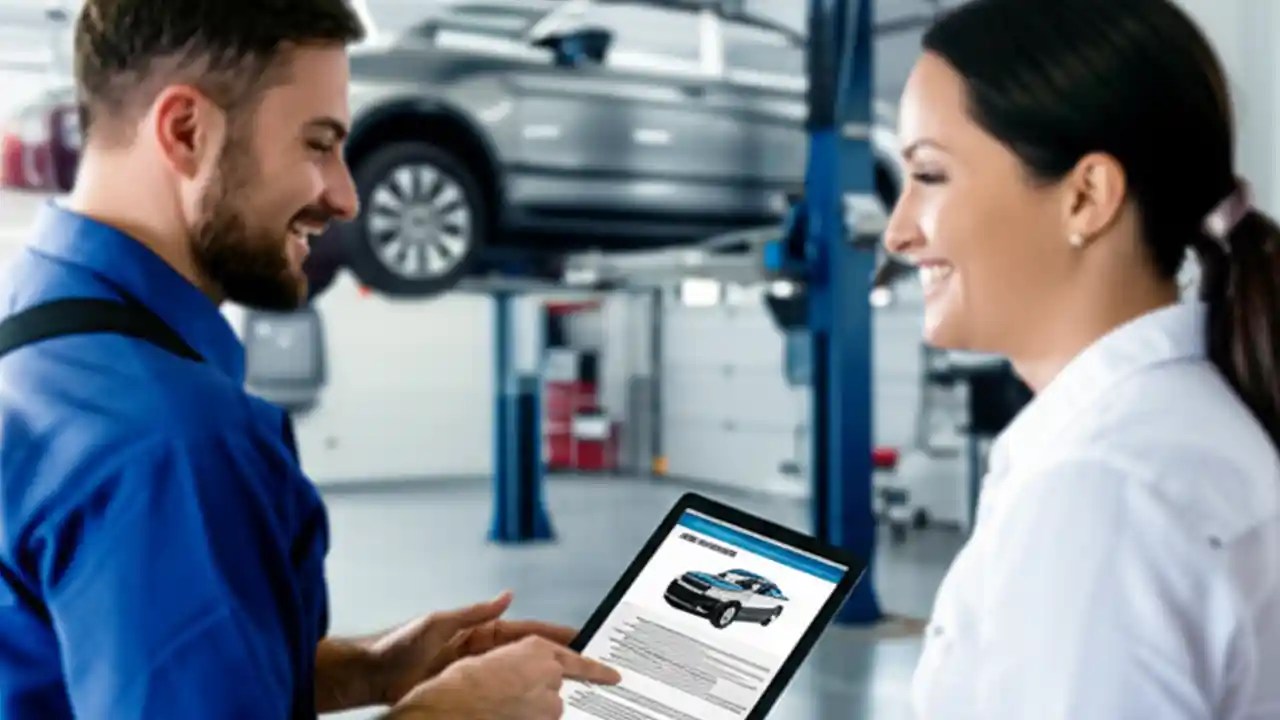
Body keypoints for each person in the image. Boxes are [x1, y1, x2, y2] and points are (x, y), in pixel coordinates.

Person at [0, 1, 619, 718]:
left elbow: (97, 657)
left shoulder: (41, 321)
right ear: (187, 131)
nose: (346, 197)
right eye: (317, 145)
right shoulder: (172, 441)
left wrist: (371, 670)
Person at [883, 0, 1280, 717]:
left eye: (931, 175)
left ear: (1086, 196)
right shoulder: (1171, 433)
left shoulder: (1100, 488)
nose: (898, 232)